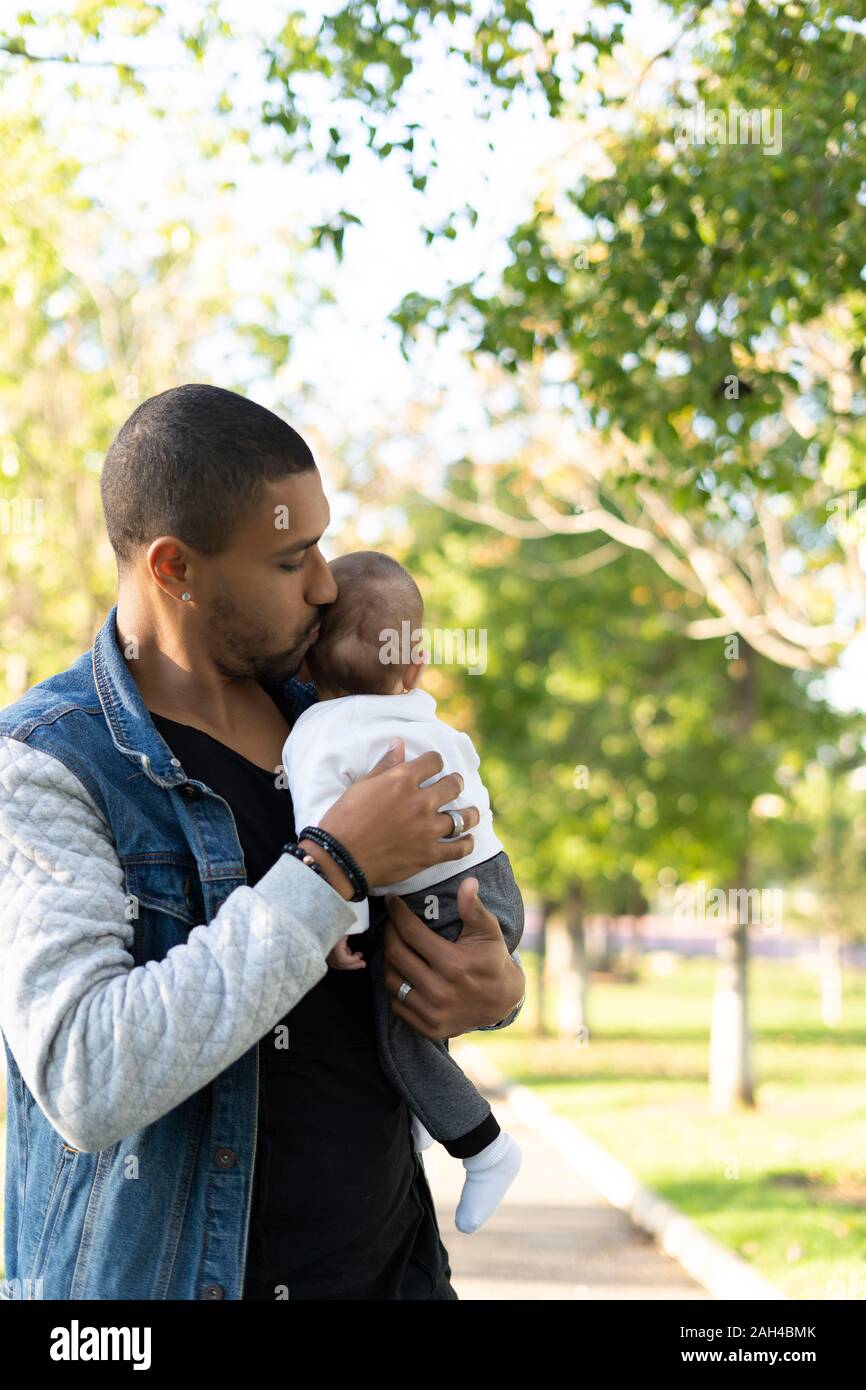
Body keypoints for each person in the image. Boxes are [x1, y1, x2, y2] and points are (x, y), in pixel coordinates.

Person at [0, 382, 526, 1301]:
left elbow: (453, 908)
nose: (328, 583)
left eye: (323, 543)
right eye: (291, 560)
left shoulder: (338, 716)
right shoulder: (50, 765)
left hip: (398, 1274)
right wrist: (331, 868)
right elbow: (85, 1075)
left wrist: (493, 983)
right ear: (175, 569)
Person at [283, 549, 524, 1235]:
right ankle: (423, 1116)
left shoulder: (315, 735)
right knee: (417, 1022)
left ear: (306, 663)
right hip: (494, 885)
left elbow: (334, 844)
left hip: (439, 898)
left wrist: (338, 929)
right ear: (413, 667)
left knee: (405, 1037)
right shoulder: (428, 718)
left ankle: (484, 1148)